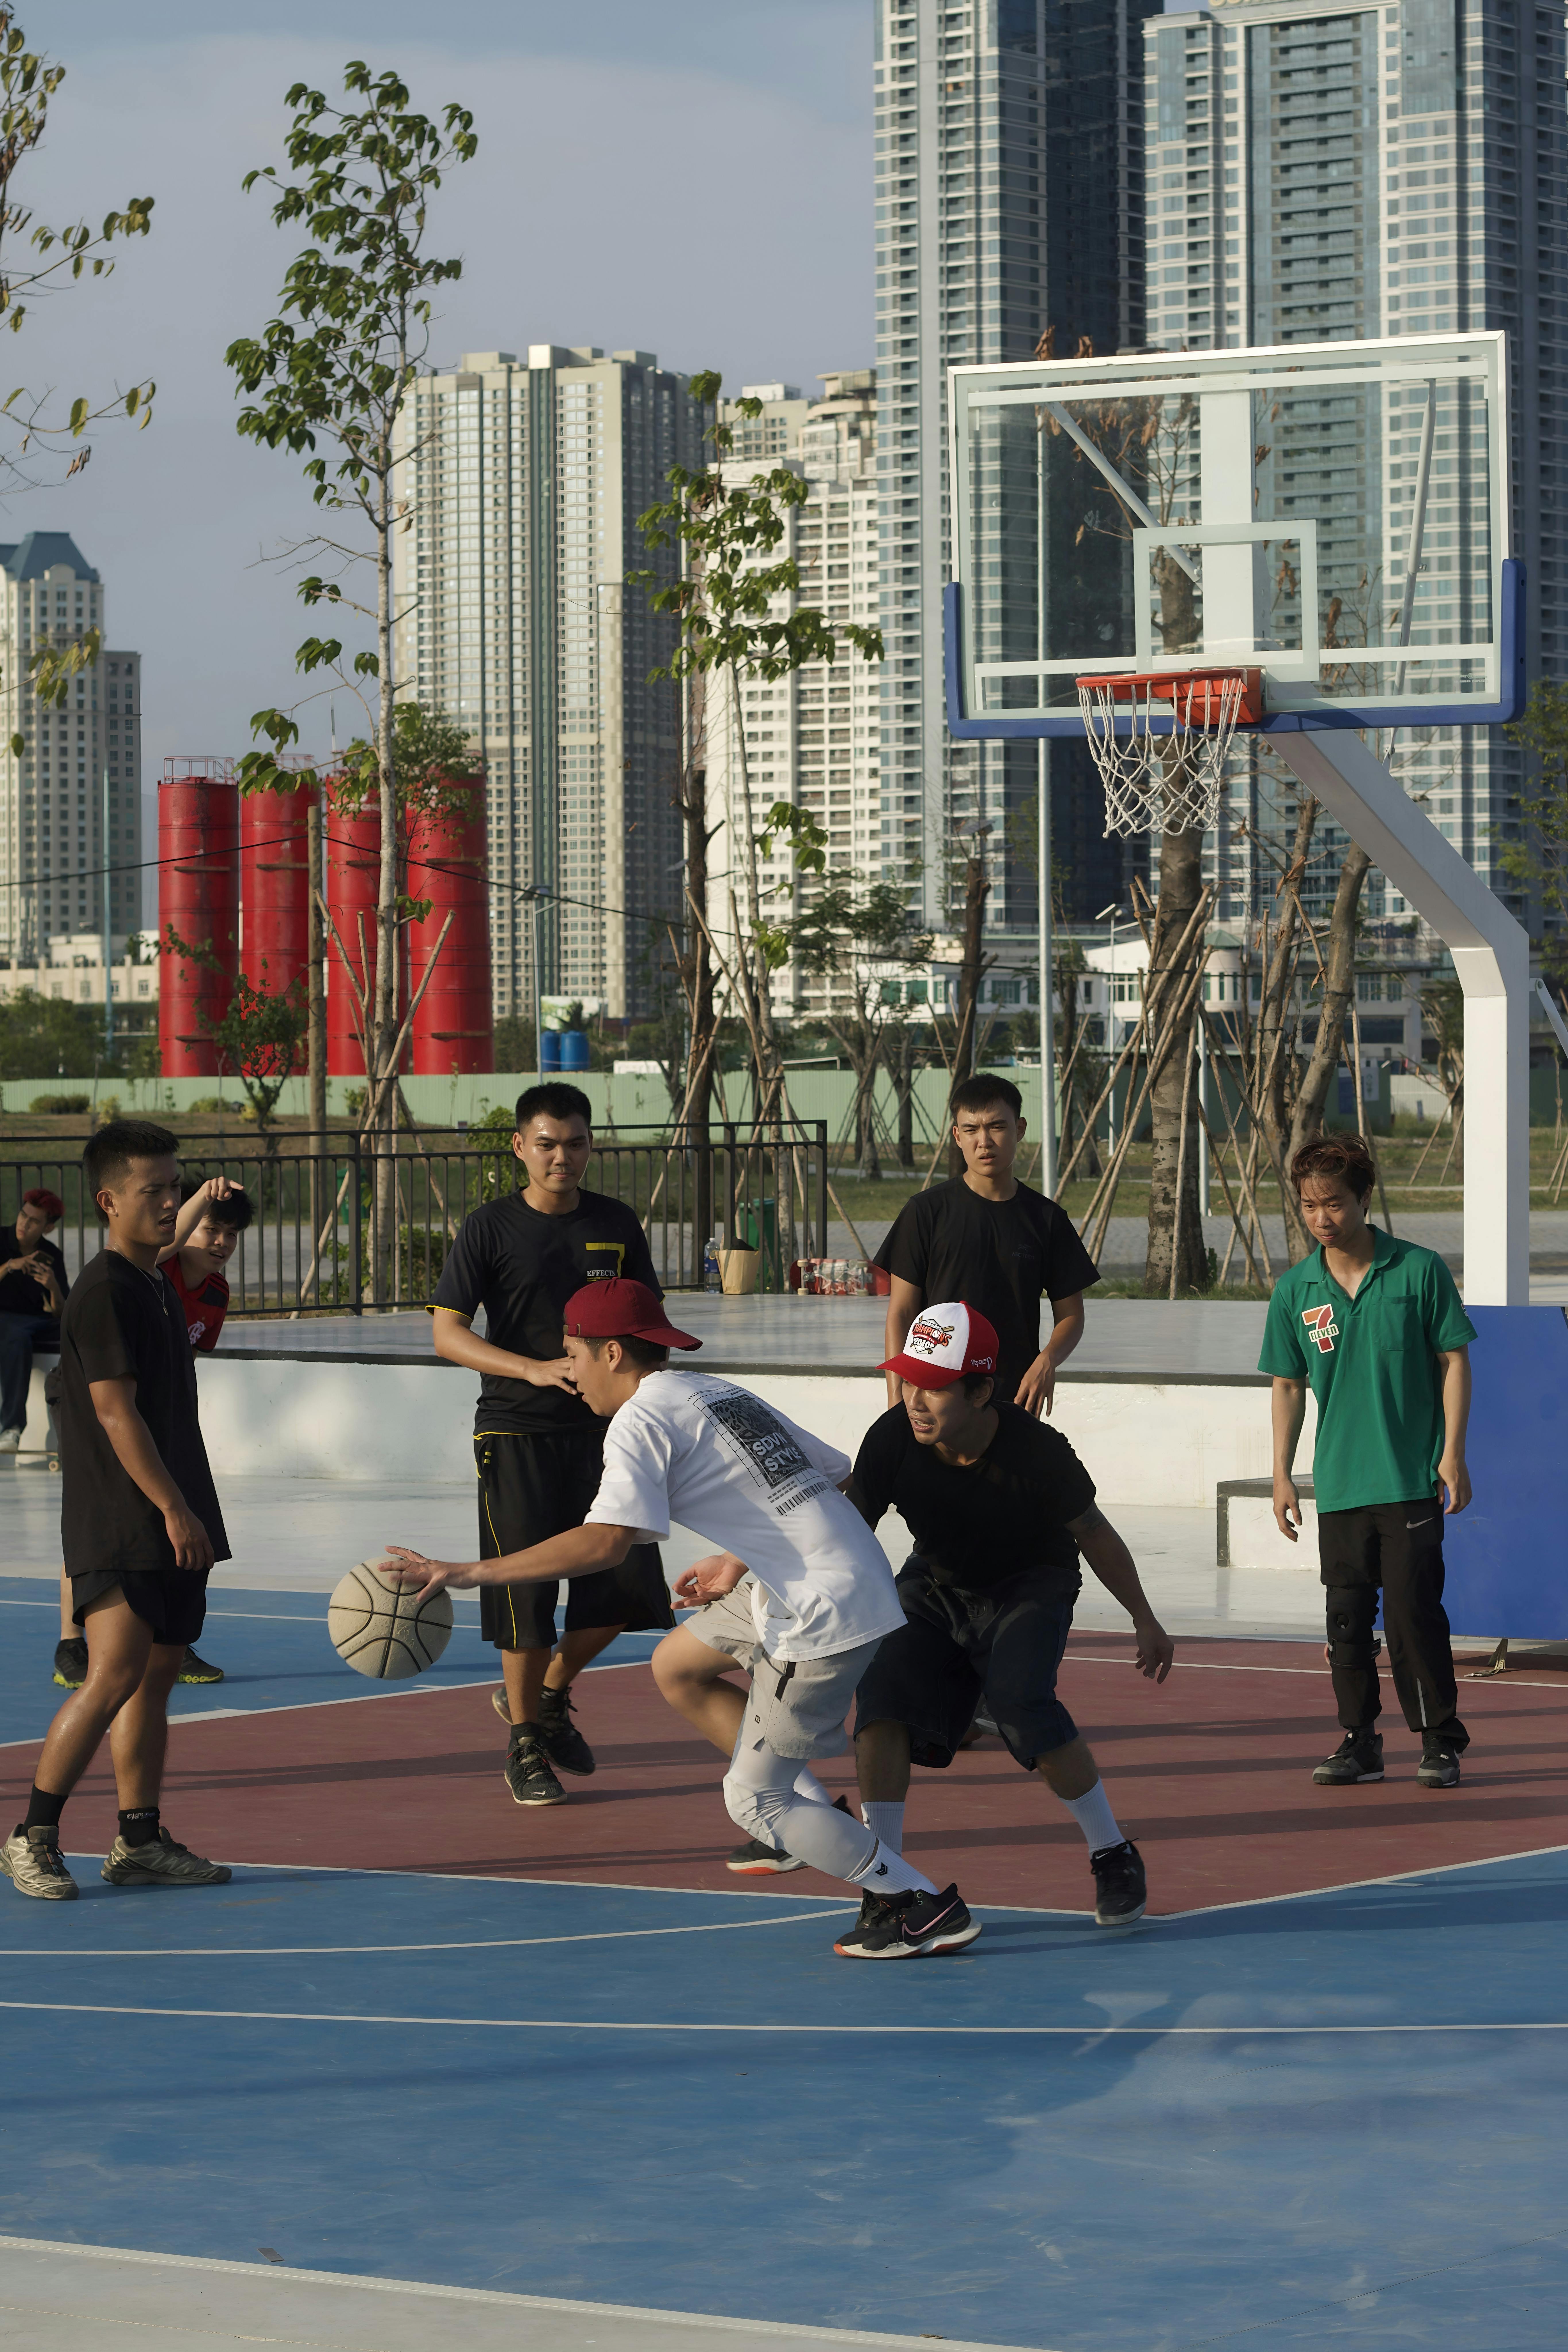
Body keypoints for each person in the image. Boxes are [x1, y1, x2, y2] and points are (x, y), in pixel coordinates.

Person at [393, 1278, 980, 1959]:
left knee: (753, 1802)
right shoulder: (710, 1390)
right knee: (678, 1664)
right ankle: (817, 1819)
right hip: (825, 1576)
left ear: (612, 1353)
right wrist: (737, 1558)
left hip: (822, 1609)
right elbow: (831, 1471)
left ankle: (913, 1902)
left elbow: (603, 1542)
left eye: (574, 1356)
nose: (570, 1374)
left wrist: (464, 1572)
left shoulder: (641, 1420)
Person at [838, 1299, 1173, 1954]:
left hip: (1031, 1584)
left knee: (1021, 1703)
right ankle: (884, 1889)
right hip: (935, 1586)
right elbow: (847, 1529)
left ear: (982, 1389)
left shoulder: (1038, 1453)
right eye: (909, 1379)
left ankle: (1112, 1852)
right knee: (879, 1705)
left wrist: (1145, 1618)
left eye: (934, 1385)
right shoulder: (891, 1438)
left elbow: (1096, 1535)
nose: (915, 1398)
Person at [2, 1120, 232, 1901]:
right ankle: (30, 1835)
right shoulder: (103, 1292)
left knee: (157, 1679)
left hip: (173, 1508)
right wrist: (173, 1508)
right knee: (111, 1677)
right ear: (108, 1202)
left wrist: (189, 1506)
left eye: (177, 1188)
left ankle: (138, 1838)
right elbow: (114, 1415)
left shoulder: (153, 1280)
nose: (172, 1204)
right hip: (123, 1516)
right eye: (154, 1192)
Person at [432, 1083, 674, 1807]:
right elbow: (448, 1333)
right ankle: (526, 1742)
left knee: (623, 1591)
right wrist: (533, 1367)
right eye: (546, 1143)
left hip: (610, 1430)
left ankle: (548, 1693)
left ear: (590, 1145)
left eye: (574, 1143)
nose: (560, 1156)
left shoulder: (616, 1223)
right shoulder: (489, 1227)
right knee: (526, 1595)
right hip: (517, 1428)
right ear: (520, 1147)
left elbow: (649, 1326)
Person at [1263, 1132, 1477, 1791]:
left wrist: (1453, 1454)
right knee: (1347, 1623)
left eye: (1333, 1203)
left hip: (1410, 1479)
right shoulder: (1296, 1290)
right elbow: (1288, 1385)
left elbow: (1454, 1360)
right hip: (1341, 1484)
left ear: (1363, 1197)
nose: (1321, 1218)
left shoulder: (1418, 1270)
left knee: (1416, 1617)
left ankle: (1440, 1741)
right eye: (1308, 1206)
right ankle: (1359, 1741)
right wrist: (1281, 1472)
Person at [50, 1176, 250, 1691]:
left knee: (168, 1511)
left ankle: (170, 1641)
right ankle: (72, 1641)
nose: (221, 1243)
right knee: (101, 1513)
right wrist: (203, 1194)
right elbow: (163, 1242)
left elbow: (182, 1365)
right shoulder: (151, 1269)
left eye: (231, 1234)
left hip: (150, 1407)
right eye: (211, 1229)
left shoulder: (215, 1293)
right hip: (91, 1394)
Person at [875, 1073, 1101, 1422]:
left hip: (1014, 1399)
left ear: (1020, 1128)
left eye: (997, 1127)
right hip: (937, 1399)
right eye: (971, 1129)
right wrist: (896, 1404)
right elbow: (901, 1313)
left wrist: (1046, 1362)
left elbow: (1071, 1315)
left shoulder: (1046, 1219)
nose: (984, 1141)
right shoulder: (926, 1212)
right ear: (956, 1136)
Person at [0, 1186, 69, 1452]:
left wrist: (53, 1287)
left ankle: (78, 1432)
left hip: (37, 1321)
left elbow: (60, 1312)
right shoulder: (1, 1239)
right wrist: (9, 1266)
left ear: (48, 1228)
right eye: (23, 1216)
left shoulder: (52, 1254)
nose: (24, 1224)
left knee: (78, 1329)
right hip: (6, 1320)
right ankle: (12, 1428)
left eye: (34, 1221)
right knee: (15, 1335)